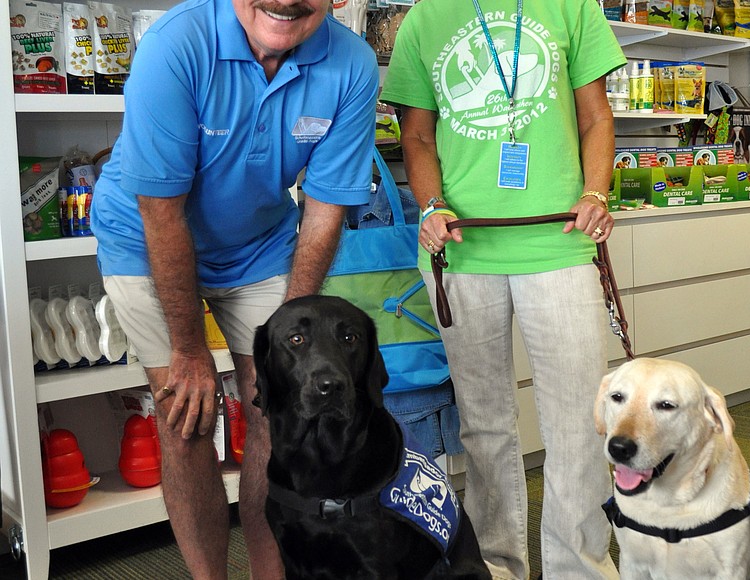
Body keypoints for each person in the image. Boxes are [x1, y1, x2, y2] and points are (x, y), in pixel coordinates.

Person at [90, 1, 379, 578]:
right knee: (186, 411)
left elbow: (323, 214)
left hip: (259, 243)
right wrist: (190, 351)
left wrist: (294, 335)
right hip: (146, 238)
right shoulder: (176, 46)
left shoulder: (352, 65)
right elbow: (161, 212)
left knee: (281, 406)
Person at [380, 1, 626, 578]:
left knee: (579, 421)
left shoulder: (572, 6)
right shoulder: (423, 19)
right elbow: (415, 135)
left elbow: (596, 117)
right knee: (484, 424)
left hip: (559, 241)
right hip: (461, 251)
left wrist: (596, 192)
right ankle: (493, 566)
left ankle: (582, 567)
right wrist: (432, 205)